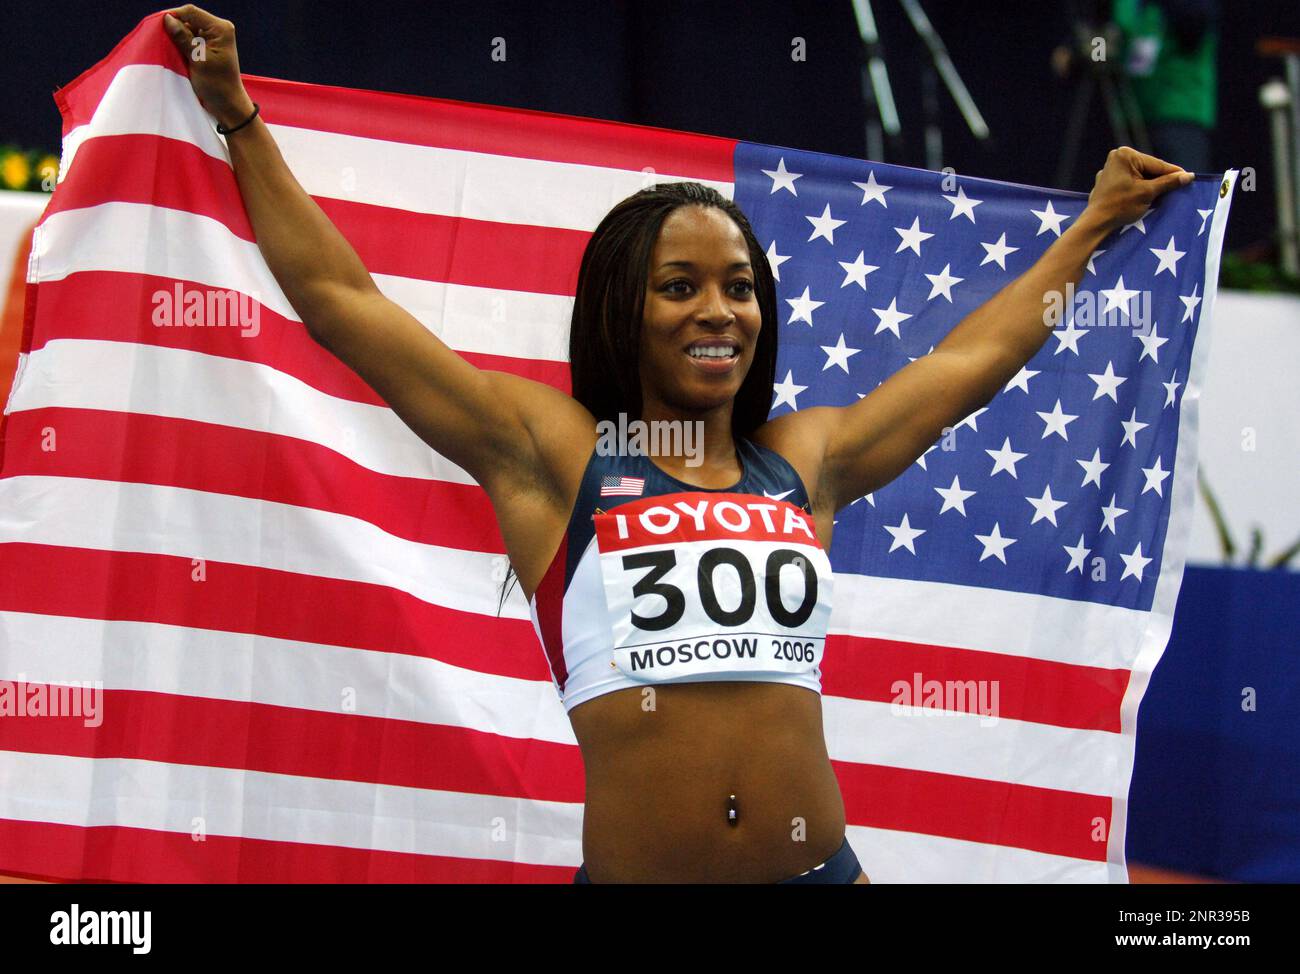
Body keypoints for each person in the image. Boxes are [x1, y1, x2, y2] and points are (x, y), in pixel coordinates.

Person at [161, 4, 1195, 884]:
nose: (719, 310)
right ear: (623, 307)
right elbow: (342, 301)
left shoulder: (806, 459)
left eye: (739, 286)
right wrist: (237, 114)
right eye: (679, 285)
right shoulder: (554, 455)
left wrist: (1091, 225)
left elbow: (971, 361)